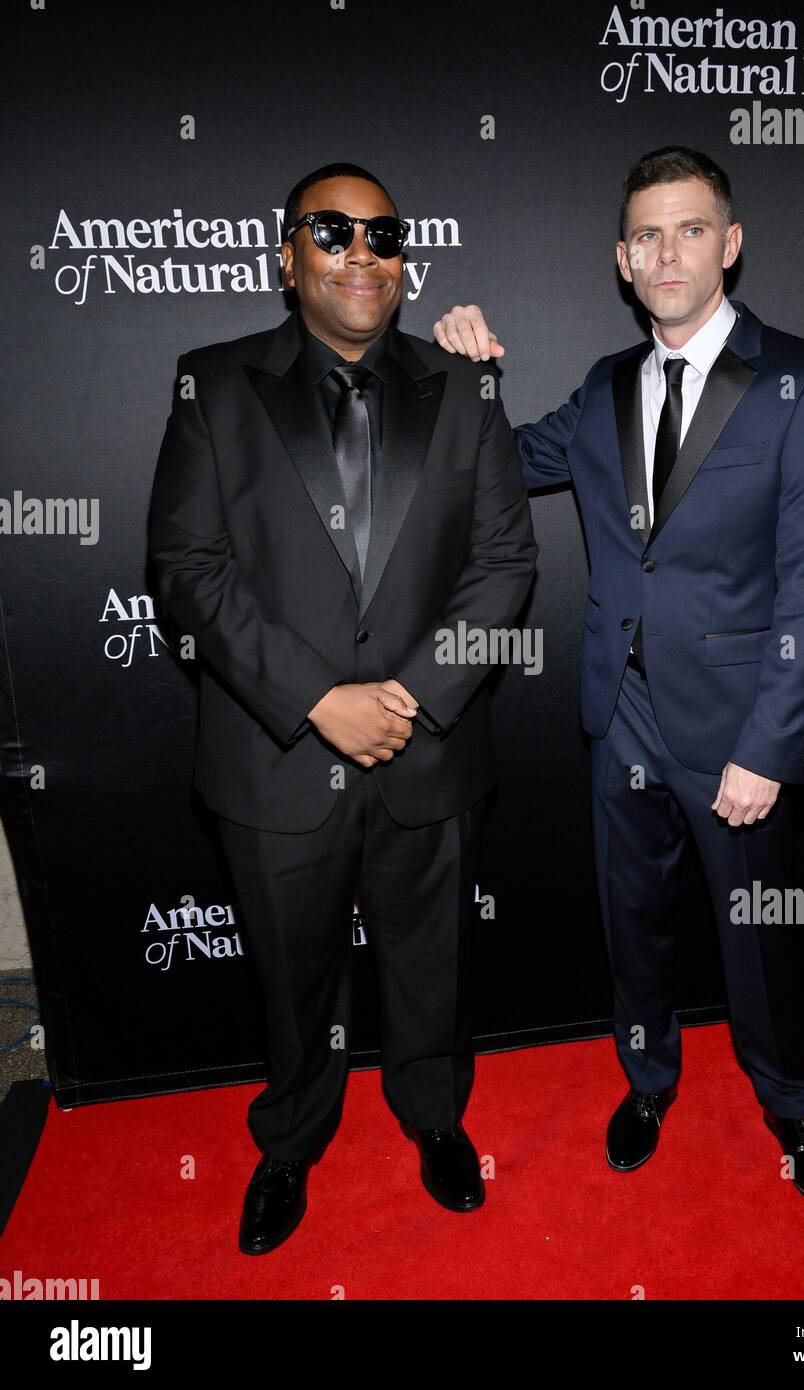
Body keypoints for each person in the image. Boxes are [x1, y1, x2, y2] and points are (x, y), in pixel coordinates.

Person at [433, 146, 804, 1213]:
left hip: (736, 729)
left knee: (756, 934)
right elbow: (506, 465)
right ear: (623, 260)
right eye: (647, 235)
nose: (668, 252)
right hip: (617, 717)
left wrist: (769, 747)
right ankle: (649, 1080)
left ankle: (788, 1103)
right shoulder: (607, 386)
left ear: (731, 242)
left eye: (691, 228)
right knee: (633, 925)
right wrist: (471, 376)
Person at [149, 162, 537, 1254]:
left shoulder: (469, 387)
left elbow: (506, 564)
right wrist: (319, 700)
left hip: (431, 746)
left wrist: (408, 697)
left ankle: (435, 1117)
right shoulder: (213, 385)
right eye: (333, 231)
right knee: (291, 974)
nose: (362, 251)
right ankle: (290, 1140)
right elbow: (186, 569)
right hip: (275, 755)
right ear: (288, 258)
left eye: (383, 232)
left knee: (433, 962)